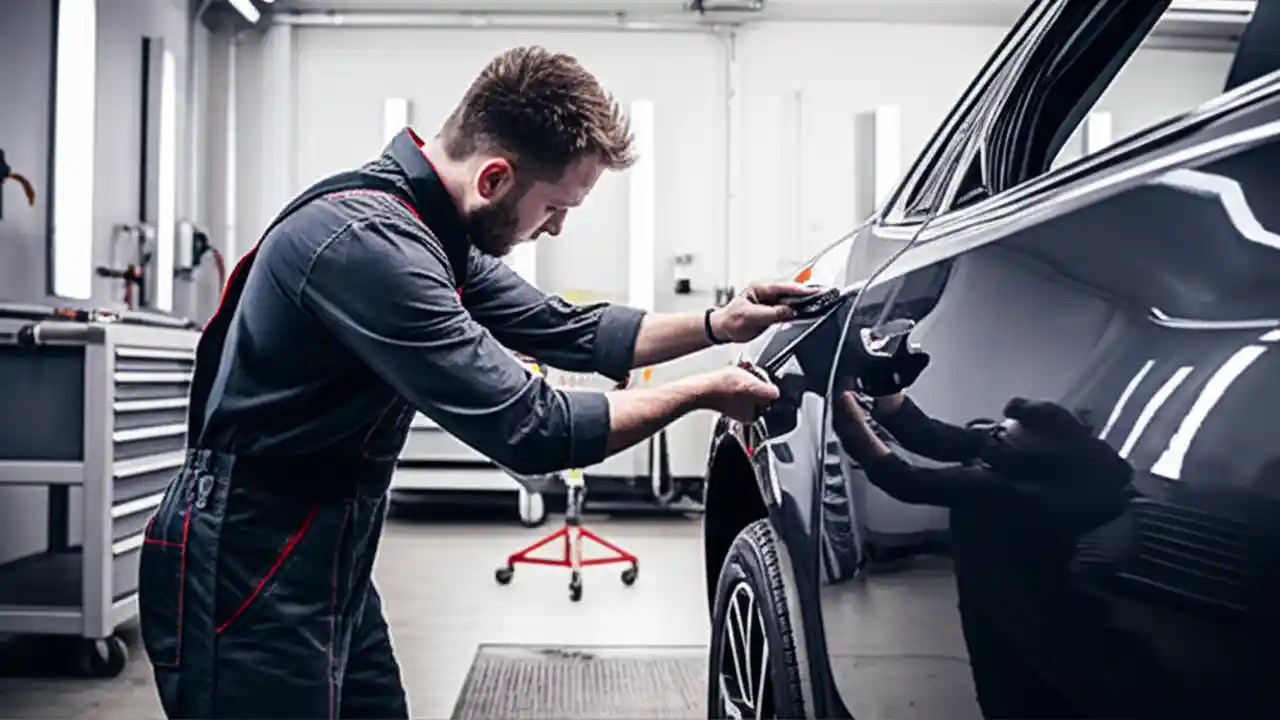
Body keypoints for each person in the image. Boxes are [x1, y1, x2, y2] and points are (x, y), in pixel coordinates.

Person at [138, 45, 812, 719]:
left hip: (328, 554)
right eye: (554, 208)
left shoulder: (432, 234)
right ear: (493, 178)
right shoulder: (370, 245)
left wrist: (723, 322)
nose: (555, 230)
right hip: (245, 559)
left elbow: (571, 329)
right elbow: (534, 429)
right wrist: (699, 393)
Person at [831, 342, 1154, 719]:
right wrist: (886, 384)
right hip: (1045, 604)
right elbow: (929, 435)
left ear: (1027, 460)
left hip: (1017, 612)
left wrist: (846, 416)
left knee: (1011, 692)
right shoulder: (1050, 457)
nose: (990, 436)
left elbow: (904, 480)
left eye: (1002, 437)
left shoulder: (1002, 490)